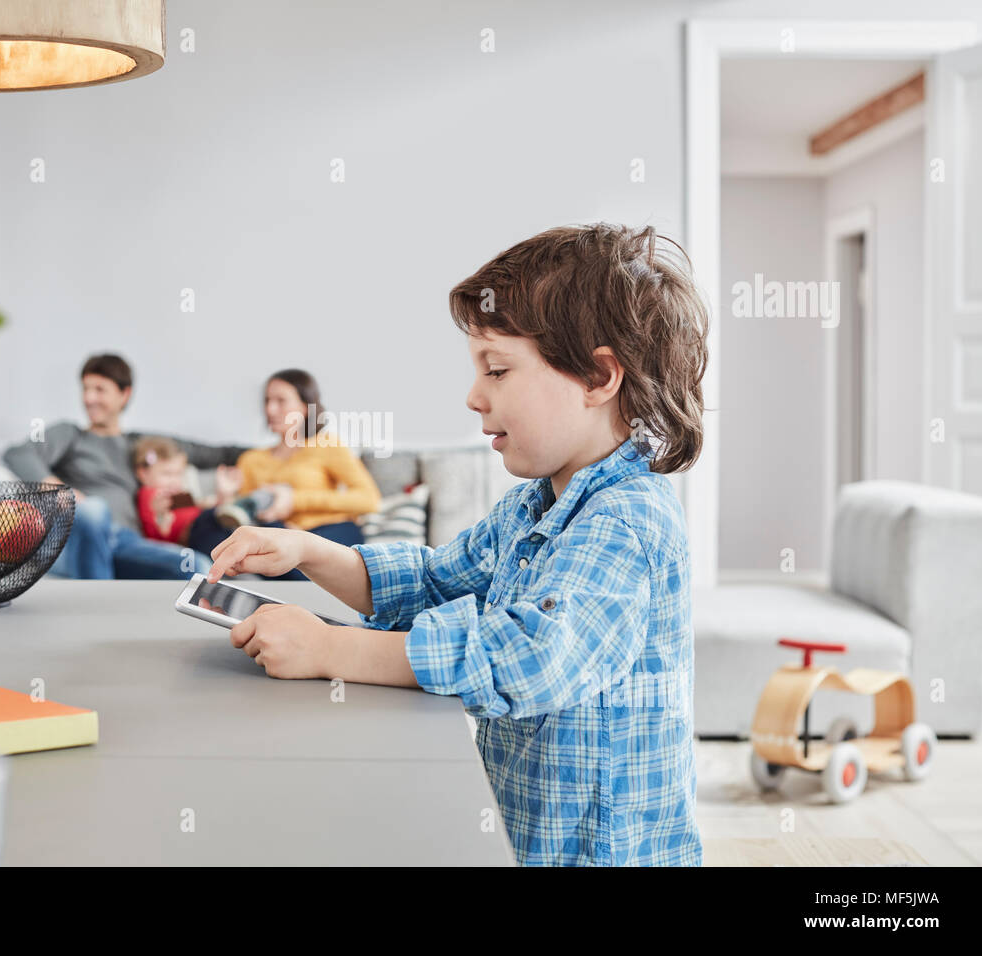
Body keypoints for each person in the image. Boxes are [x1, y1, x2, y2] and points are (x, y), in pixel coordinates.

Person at [203, 224, 708, 867]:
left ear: (598, 376)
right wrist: (308, 550)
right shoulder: (537, 503)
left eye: (497, 369)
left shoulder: (628, 517)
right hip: (529, 836)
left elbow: (532, 658)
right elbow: (435, 582)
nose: (474, 396)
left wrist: (330, 647)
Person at [2, 354, 249, 579]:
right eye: (86, 389)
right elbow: (19, 454)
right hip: (80, 537)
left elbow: (212, 453)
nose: (89, 398)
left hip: (125, 542)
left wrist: (273, 453)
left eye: (100, 390)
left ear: (124, 394)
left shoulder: (140, 445)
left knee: (196, 565)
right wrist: (61, 491)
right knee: (93, 510)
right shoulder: (71, 435)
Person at [186, 369, 381, 581]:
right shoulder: (251, 459)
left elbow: (369, 499)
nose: (270, 409)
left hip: (323, 532)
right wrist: (226, 498)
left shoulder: (327, 445)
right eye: (267, 401)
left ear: (305, 407)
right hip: (272, 532)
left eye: (281, 401)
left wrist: (294, 501)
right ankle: (253, 567)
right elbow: (245, 517)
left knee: (285, 544)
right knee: (208, 520)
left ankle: (257, 568)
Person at [132, 436, 239, 547]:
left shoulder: (180, 495)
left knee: (217, 519)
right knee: (213, 519)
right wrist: (161, 517)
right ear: (143, 474)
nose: (174, 481)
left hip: (204, 525)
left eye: (178, 474)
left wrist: (218, 498)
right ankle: (227, 507)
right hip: (192, 533)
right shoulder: (150, 493)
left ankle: (226, 505)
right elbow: (155, 536)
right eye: (167, 474)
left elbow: (196, 508)